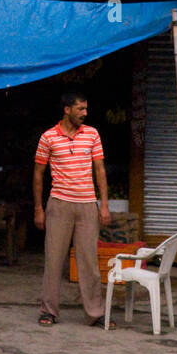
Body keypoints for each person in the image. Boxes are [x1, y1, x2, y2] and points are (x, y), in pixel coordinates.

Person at [33, 90, 114, 327]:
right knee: (53, 260)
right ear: (67, 109)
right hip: (59, 204)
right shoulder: (48, 137)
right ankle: (49, 311)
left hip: (87, 205)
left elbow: (99, 170)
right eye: (80, 109)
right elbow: (38, 174)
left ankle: (95, 314)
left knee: (89, 261)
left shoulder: (92, 134)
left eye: (86, 109)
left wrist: (104, 205)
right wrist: (39, 208)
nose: (85, 114)